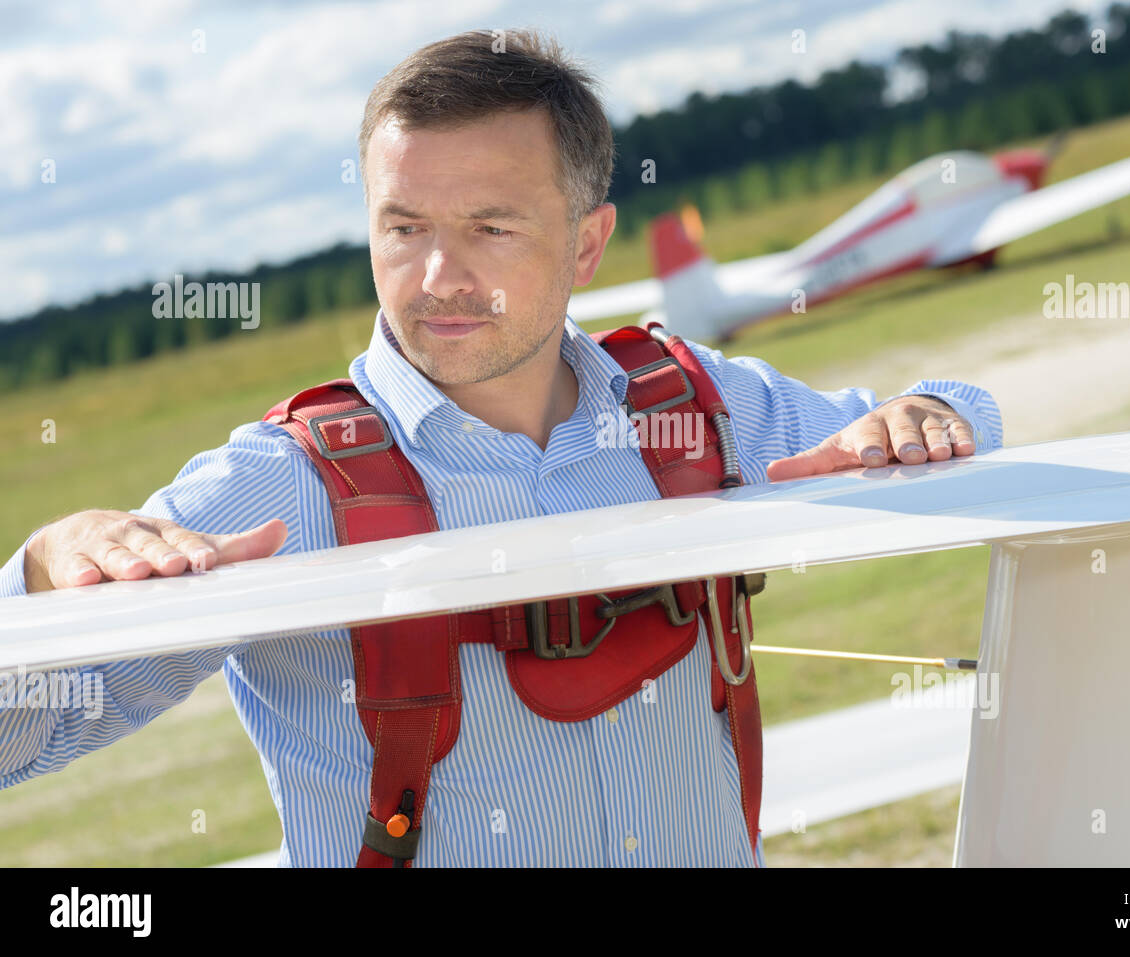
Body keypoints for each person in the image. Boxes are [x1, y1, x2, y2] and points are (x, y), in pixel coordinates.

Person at [0, 28, 1002, 866]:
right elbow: (18, 737)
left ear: (585, 244)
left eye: (490, 228)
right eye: (403, 227)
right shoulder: (283, 485)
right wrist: (42, 577)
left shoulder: (694, 405)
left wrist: (925, 415)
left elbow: (960, 423)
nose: (439, 275)